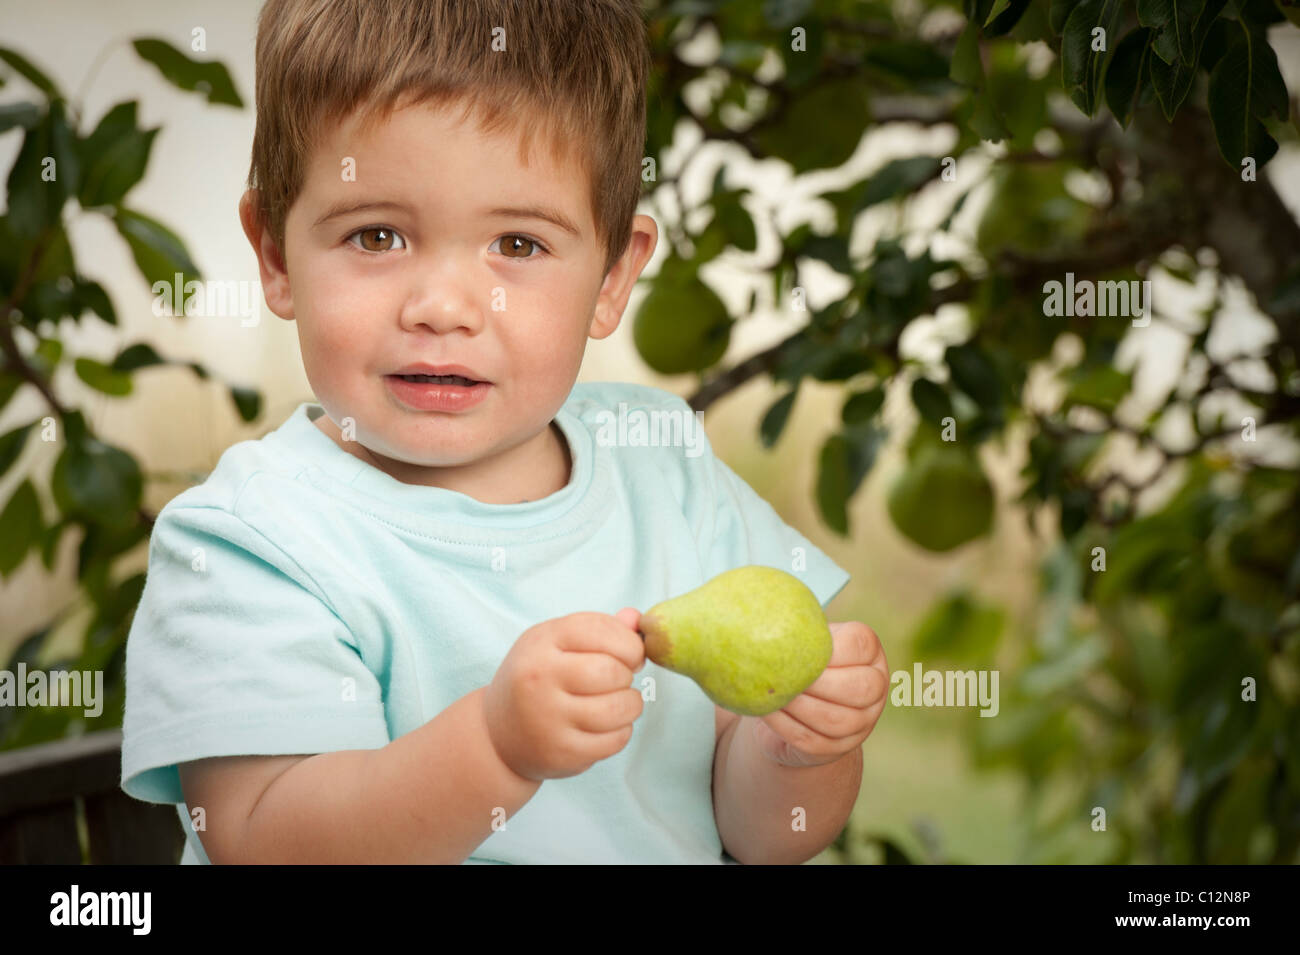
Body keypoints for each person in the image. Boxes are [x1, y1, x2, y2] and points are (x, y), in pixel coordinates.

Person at [120, 0, 889, 864]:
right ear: (274, 254)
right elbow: (263, 840)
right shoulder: (251, 541)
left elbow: (761, 836)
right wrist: (490, 750)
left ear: (611, 276)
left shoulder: (662, 464)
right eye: (377, 234)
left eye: (517, 245)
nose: (444, 308)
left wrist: (799, 749)